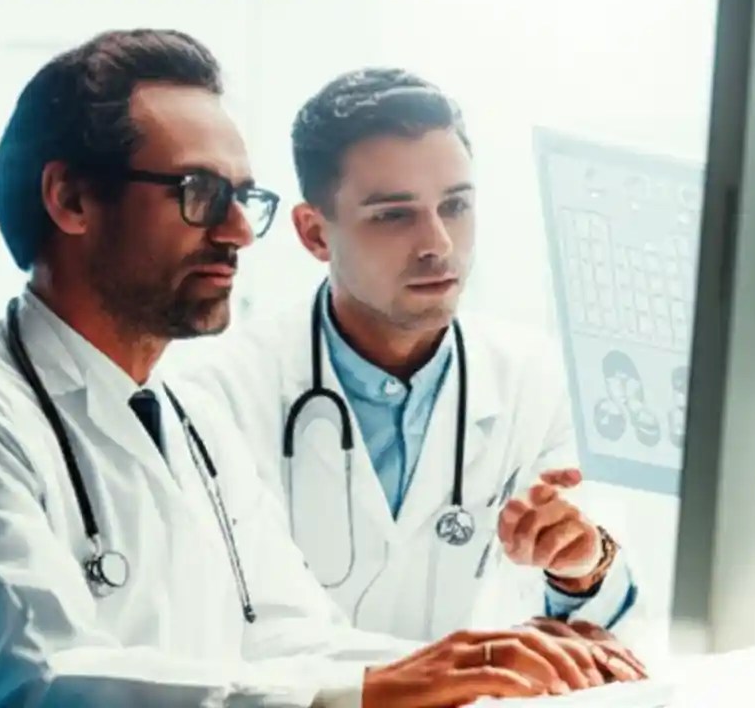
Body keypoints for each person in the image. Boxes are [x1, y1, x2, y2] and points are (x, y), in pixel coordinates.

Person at [0, 29, 636, 708]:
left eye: (243, 197)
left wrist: (498, 666)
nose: (239, 229)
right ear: (72, 199)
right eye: (200, 193)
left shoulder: (190, 422)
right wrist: (380, 689)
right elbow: (36, 683)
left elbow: (285, 637)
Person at [171, 68, 648, 650]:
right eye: (394, 215)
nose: (438, 244)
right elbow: (220, 638)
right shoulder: (218, 397)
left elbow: (606, 629)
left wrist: (580, 566)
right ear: (315, 234)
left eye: (455, 206)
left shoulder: (537, 383)